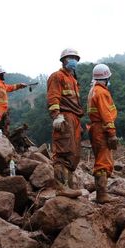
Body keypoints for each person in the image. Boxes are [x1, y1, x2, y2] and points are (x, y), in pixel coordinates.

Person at [47, 48, 85, 196]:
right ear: (63, 60)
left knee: (73, 153)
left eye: (75, 58)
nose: (73, 61)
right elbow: (53, 97)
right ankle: (61, 188)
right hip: (64, 117)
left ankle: (68, 186)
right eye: (70, 58)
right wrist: (56, 115)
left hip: (74, 119)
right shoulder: (57, 76)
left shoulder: (73, 80)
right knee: (63, 151)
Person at [87, 64, 118, 204]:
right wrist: (112, 133)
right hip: (101, 129)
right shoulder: (102, 92)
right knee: (103, 162)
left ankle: (101, 193)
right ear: (106, 77)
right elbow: (106, 115)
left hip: (95, 128)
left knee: (100, 159)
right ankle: (102, 195)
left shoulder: (93, 90)